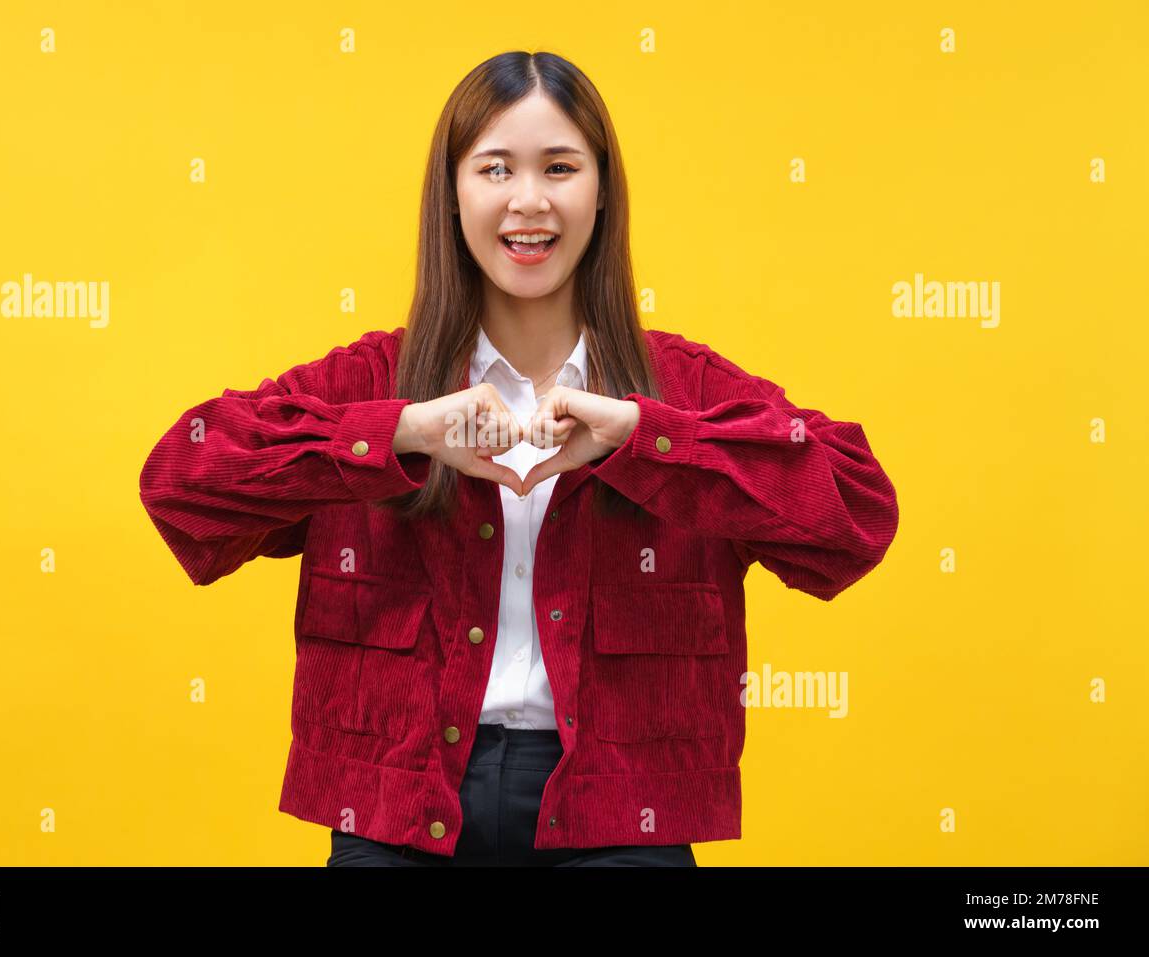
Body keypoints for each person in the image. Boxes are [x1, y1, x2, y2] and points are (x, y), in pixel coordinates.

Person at [138, 50, 899, 867]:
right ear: (453, 193)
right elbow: (181, 483)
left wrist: (650, 442)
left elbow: (857, 514)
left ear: (602, 192)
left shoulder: (684, 387)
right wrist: (402, 433)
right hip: (400, 809)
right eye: (495, 168)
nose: (528, 200)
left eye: (561, 167)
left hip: (618, 811)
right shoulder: (371, 381)